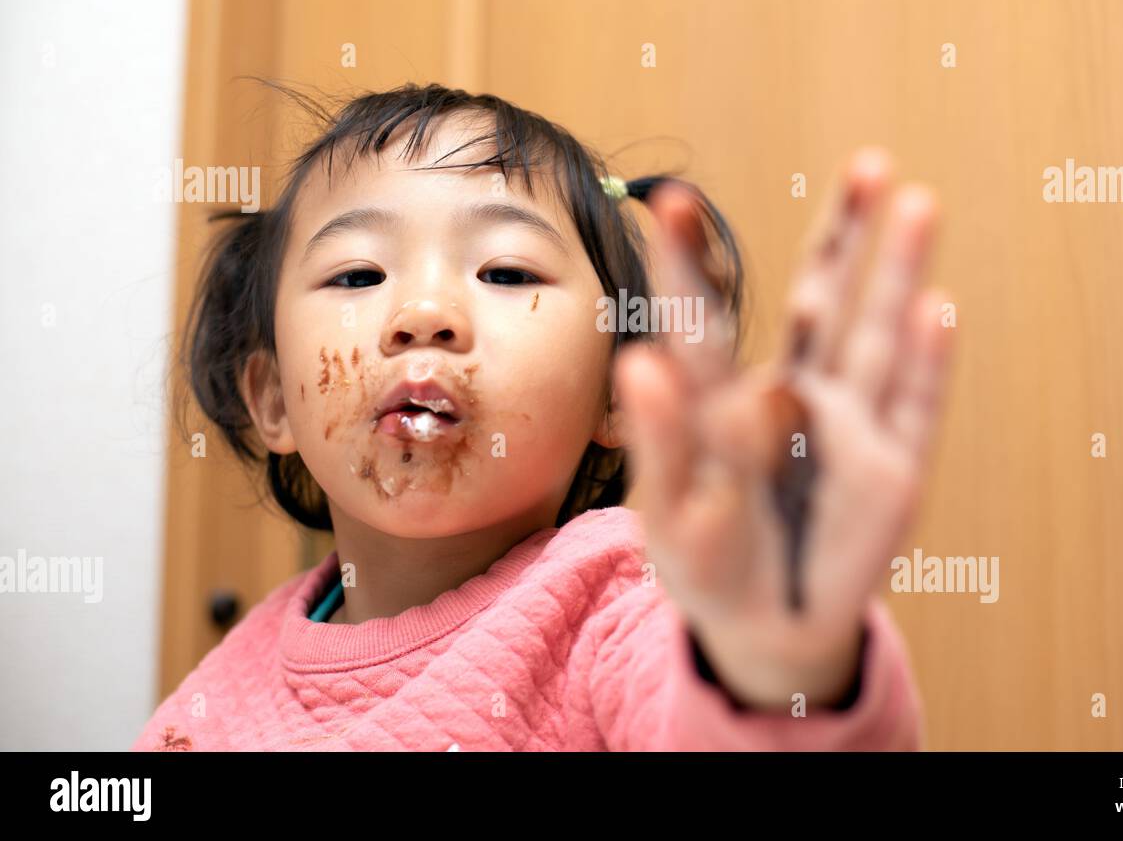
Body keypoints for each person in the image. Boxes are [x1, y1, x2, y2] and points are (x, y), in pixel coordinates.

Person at [132, 82, 952, 750]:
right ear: (273, 398)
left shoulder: (621, 600)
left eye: (506, 270)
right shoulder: (232, 673)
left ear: (619, 390)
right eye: (356, 275)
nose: (423, 312)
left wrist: (776, 672)